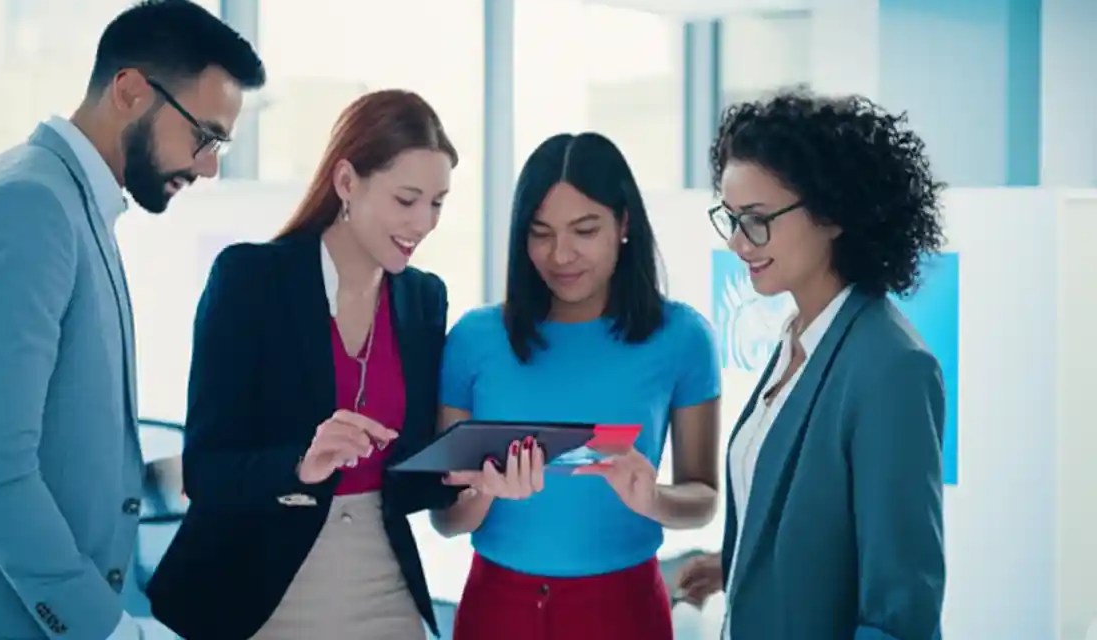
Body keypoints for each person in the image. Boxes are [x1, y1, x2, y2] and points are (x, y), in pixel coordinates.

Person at [0, 0, 265, 640]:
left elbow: (60, 437)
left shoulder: (76, 206)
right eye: (204, 136)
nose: (209, 165)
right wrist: (106, 629)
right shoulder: (30, 205)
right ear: (132, 91)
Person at [146, 89, 463, 640]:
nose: (424, 222)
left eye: (437, 202)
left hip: (381, 578)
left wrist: (464, 475)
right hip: (261, 584)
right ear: (346, 182)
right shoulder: (251, 280)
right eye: (406, 199)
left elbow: (403, 477)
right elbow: (205, 470)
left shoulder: (423, 299)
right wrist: (302, 463)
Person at [675, 90, 947, 639]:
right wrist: (738, 566)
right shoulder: (798, 338)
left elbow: (900, 613)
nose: (736, 242)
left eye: (756, 220)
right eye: (730, 219)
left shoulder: (892, 368)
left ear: (833, 214)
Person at [432, 131, 722, 640]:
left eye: (584, 230)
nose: (560, 254)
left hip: (624, 609)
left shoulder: (683, 338)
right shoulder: (474, 340)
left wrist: (651, 498)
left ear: (624, 223)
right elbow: (445, 519)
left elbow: (703, 498)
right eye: (540, 232)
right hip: (498, 609)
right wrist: (482, 493)